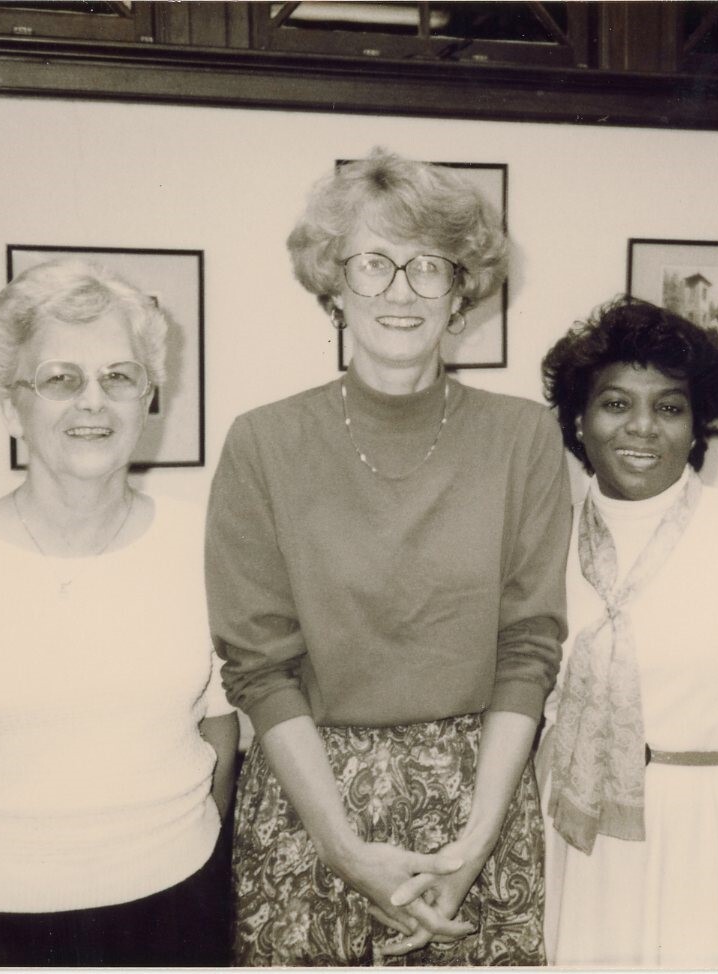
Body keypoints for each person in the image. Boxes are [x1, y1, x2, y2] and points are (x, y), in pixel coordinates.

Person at [206, 147, 571, 966]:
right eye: (373, 264)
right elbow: (259, 668)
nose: (400, 291)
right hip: (313, 814)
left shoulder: (525, 438)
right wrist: (342, 849)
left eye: (428, 267)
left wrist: (474, 848)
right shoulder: (263, 443)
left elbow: (530, 647)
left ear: (462, 292)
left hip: (477, 814)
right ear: (333, 287)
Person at [0, 258, 239, 966]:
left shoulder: (208, 544)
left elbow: (219, 728)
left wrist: (176, 856)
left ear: (147, 398)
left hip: (174, 914)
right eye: (60, 378)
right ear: (12, 405)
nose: (92, 402)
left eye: (119, 377)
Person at [536, 296, 718, 967]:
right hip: (577, 846)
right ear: (578, 422)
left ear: (696, 423)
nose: (642, 428)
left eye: (669, 407)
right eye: (615, 404)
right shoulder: (543, 539)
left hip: (712, 842)